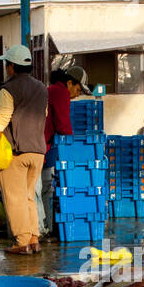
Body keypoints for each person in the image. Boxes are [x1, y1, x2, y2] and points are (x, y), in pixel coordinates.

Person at [0, 44, 47, 255]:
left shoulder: (8, 89)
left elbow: (1, 120)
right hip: (38, 151)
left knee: (15, 198)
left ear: (11, 66)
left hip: (17, 151)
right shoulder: (41, 88)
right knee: (29, 196)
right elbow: (44, 115)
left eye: (7, 64)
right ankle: (33, 239)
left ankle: (22, 243)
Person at [41, 65, 90, 238]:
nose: (78, 94)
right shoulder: (60, 92)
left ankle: (42, 226)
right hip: (41, 146)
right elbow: (63, 124)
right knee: (44, 187)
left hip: (42, 143)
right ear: (69, 83)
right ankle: (43, 227)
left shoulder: (52, 90)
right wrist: (75, 146)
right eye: (78, 89)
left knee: (43, 186)